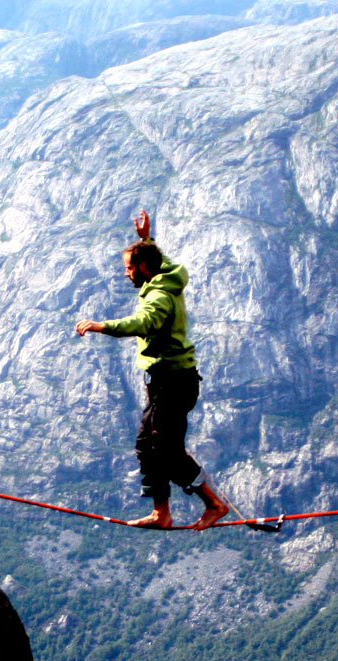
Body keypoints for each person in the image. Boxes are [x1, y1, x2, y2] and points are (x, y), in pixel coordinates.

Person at [75, 210, 229, 530]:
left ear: (144, 268)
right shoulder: (164, 276)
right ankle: (162, 513)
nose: (126, 274)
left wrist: (102, 326)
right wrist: (146, 239)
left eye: (129, 268)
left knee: (167, 450)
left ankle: (214, 504)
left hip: (175, 381)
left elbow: (144, 322)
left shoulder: (158, 295)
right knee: (148, 445)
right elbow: (165, 262)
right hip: (164, 381)